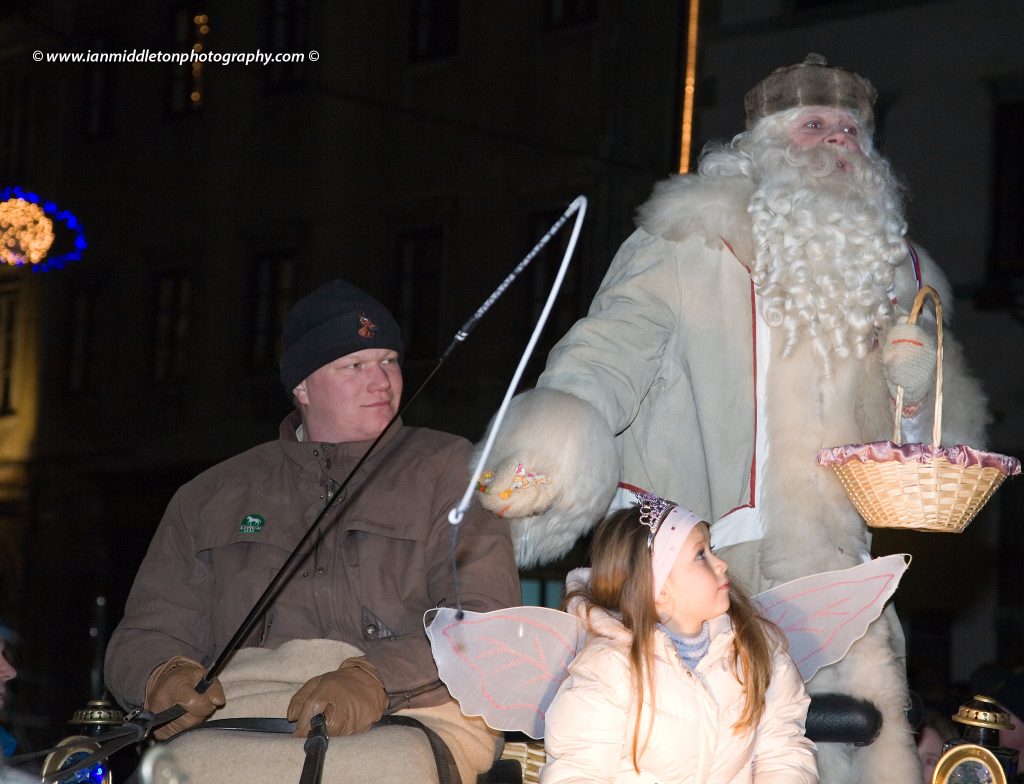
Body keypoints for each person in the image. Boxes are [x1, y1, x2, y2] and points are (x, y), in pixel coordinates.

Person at [477, 54, 988, 783]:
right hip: (702, 571)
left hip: (840, 586)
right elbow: (608, 354)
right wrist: (554, 440)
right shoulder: (688, 239)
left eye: (852, 129)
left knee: (845, 757)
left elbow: (928, 454)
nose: (840, 140)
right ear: (764, 143)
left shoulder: (900, 276)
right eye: (816, 124)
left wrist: (916, 389)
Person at [104, 278, 521, 783]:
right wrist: (163, 676)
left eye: (389, 360)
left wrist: (375, 678)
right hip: (241, 712)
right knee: (181, 770)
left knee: (386, 769)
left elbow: (484, 619)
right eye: (354, 366)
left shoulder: (453, 469)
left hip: (419, 709)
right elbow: (146, 631)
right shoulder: (212, 495)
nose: (382, 381)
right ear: (302, 387)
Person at [541, 494, 817, 783]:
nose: (721, 563)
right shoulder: (608, 670)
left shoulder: (758, 648)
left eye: (712, 549)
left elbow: (783, 752)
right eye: (701, 555)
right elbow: (577, 773)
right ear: (658, 590)